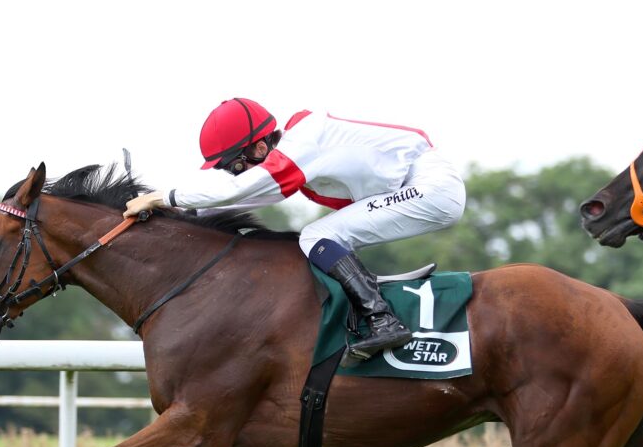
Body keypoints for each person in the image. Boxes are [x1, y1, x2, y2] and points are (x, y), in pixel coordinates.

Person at [123, 98, 466, 362]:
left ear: (260, 147)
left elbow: (243, 189)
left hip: (430, 186)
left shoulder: (305, 144)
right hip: (419, 186)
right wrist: (181, 210)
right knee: (322, 235)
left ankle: (383, 321)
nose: (235, 174)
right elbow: (254, 195)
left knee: (317, 236)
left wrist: (162, 196)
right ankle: (376, 314)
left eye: (235, 166)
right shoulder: (296, 155)